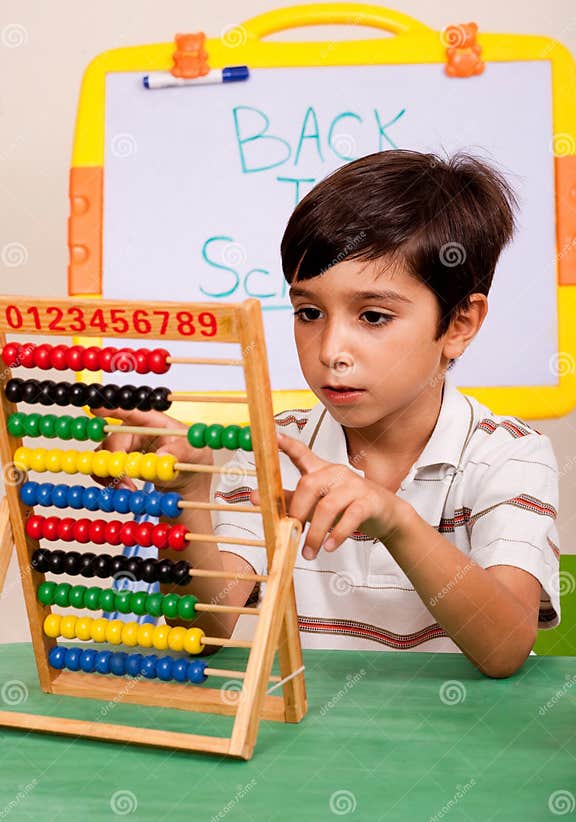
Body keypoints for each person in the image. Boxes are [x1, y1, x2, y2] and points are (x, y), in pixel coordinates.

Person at [98, 150, 560, 678]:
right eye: (309, 313)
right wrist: (186, 498)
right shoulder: (273, 448)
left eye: (373, 316)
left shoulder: (508, 455)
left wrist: (394, 520)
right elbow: (208, 628)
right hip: (304, 743)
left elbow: (505, 648)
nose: (331, 349)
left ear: (459, 323)